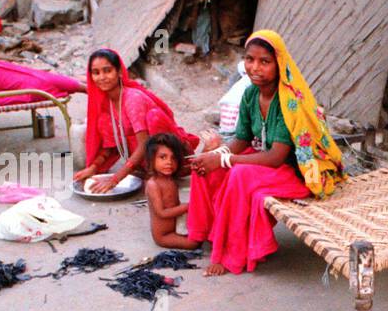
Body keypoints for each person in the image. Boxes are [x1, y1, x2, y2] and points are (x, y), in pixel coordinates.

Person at [186, 30, 344, 276]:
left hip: (297, 171)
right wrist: (216, 155)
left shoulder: (288, 102)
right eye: (250, 59)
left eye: (264, 62)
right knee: (203, 168)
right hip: (266, 161)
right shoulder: (250, 93)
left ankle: (230, 253)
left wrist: (224, 159)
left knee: (239, 175)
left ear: (278, 64)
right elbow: (242, 138)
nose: (255, 68)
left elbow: (276, 157)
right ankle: (206, 236)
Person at [74, 48, 201, 194]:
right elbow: (111, 146)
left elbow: (144, 144)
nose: (102, 77)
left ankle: (162, 173)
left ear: (120, 72)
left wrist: (115, 179)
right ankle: (148, 170)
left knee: (154, 118)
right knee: (103, 121)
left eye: (107, 71)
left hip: (172, 159)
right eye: (96, 73)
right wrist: (93, 168)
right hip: (144, 161)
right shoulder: (106, 104)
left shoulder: (132, 99)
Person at [143, 133, 200, 251]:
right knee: (194, 243)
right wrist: (187, 207)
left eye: (173, 158)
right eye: (163, 157)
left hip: (176, 227)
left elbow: (193, 167)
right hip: (164, 235)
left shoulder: (170, 179)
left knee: (201, 231)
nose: (169, 162)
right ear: (151, 159)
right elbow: (162, 213)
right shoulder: (153, 185)